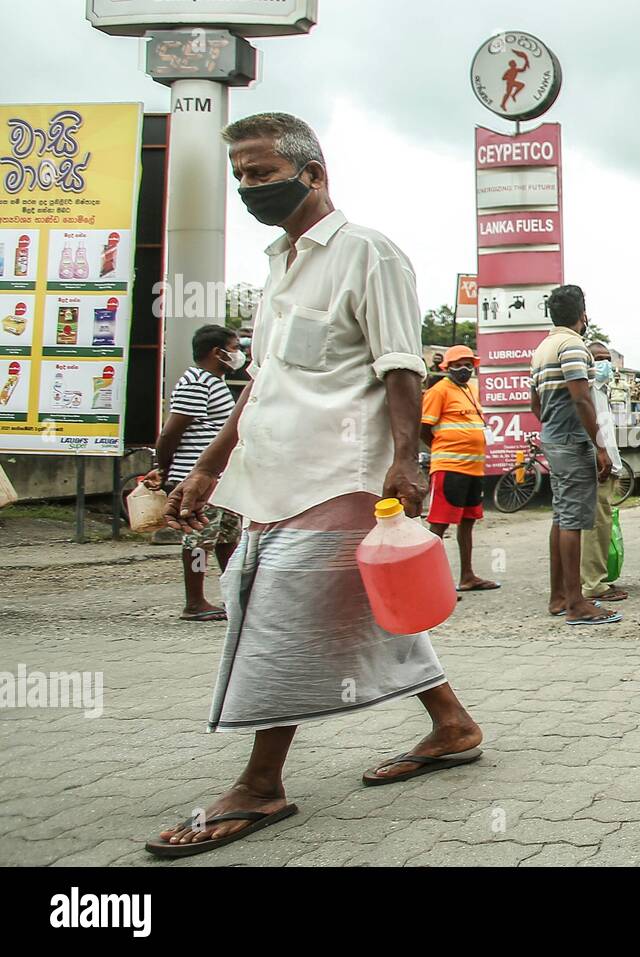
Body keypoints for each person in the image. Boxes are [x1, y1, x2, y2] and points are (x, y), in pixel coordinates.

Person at [149, 112, 482, 856]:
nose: (247, 187)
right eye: (240, 175)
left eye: (262, 173)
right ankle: (452, 722)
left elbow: (399, 365)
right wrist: (208, 466)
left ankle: (261, 783)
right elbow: (262, 380)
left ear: (314, 172)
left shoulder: (370, 254)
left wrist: (407, 460)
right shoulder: (277, 264)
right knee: (349, 605)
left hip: (342, 473)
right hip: (273, 472)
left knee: (276, 610)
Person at [529, 284, 620, 625]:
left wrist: (553, 428)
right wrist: (598, 445)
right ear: (583, 313)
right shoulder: (573, 346)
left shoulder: (541, 349)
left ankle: (560, 597)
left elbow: (535, 404)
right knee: (573, 519)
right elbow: (582, 397)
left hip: (553, 439)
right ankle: (576, 604)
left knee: (560, 516)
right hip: (572, 442)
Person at [142, 324, 243, 622]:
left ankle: (235, 596)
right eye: (235, 348)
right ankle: (195, 602)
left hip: (221, 480)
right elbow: (170, 433)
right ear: (217, 352)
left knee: (227, 538)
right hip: (196, 478)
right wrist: (163, 468)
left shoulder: (214, 383)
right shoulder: (196, 382)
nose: (238, 355)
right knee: (199, 540)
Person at [420, 344, 498, 593]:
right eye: (457, 365)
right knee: (439, 525)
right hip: (450, 467)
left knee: (468, 521)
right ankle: (430, 583)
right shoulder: (438, 391)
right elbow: (424, 428)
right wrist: (441, 450)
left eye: (467, 364)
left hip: (473, 468)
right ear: (447, 368)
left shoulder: (472, 390)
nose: (463, 368)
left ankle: (467, 576)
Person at [579, 341, 629, 603]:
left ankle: (595, 578)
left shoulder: (601, 390)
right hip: (596, 467)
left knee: (602, 526)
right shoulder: (586, 391)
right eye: (598, 358)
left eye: (607, 359)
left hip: (607, 466)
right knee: (595, 527)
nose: (604, 364)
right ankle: (592, 584)